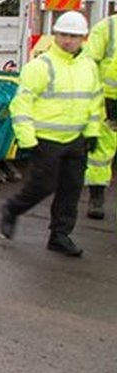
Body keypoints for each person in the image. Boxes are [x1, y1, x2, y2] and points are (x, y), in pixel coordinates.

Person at [0, 11, 103, 257]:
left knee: (71, 189)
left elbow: (94, 101)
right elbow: (21, 105)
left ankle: (60, 235)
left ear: (83, 38)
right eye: (63, 35)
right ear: (55, 34)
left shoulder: (88, 67)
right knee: (43, 185)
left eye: (73, 36)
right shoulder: (40, 66)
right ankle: (12, 209)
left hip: (76, 139)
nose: (67, 41)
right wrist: (27, 138)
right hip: (46, 139)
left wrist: (92, 132)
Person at [81, 12, 117, 220]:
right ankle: (96, 197)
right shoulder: (107, 28)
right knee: (102, 151)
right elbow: (89, 63)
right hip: (107, 100)